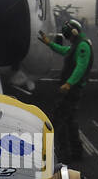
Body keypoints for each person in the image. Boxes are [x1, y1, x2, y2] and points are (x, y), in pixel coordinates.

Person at [39, 19, 92, 161]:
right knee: (69, 120)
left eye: (67, 31)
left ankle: (64, 154)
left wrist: (69, 84)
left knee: (60, 120)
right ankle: (76, 151)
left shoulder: (82, 46)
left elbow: (81, 67)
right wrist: (49, 43)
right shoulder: (77, 45)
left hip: (72, 91)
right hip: (71, 90)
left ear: (73, 32)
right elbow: (64, 51)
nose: (65, 34)